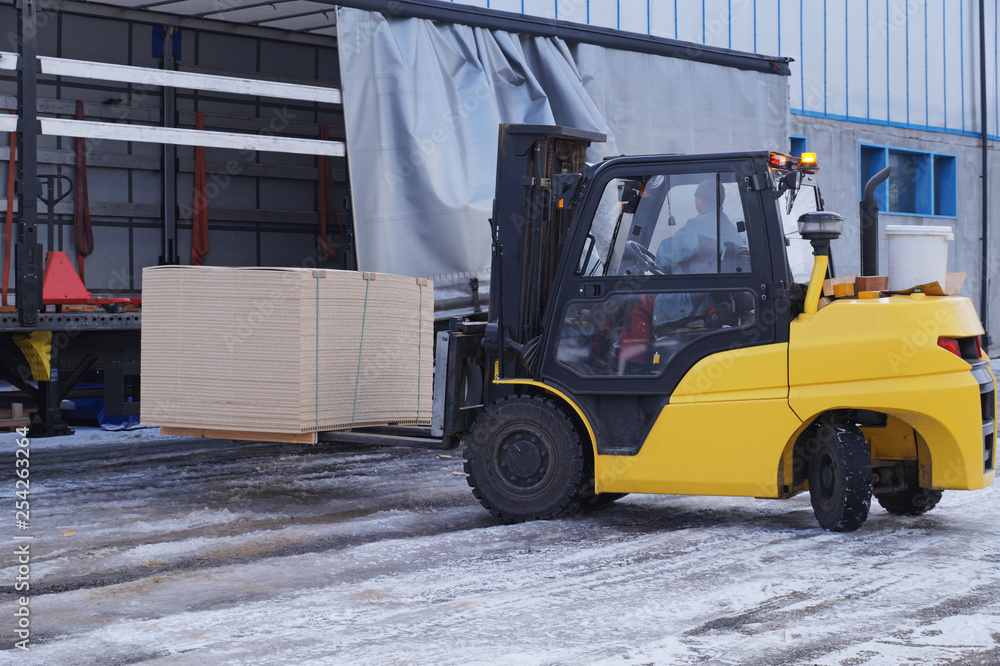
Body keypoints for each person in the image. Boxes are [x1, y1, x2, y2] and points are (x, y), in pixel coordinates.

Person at [652, 179, 743, 329]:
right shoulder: (731, 229)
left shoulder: (698, 226)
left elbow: (664, 257)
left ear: (699, 200)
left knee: (637, 303)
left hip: (692, 302)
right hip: (713, 298)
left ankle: (632, 352)